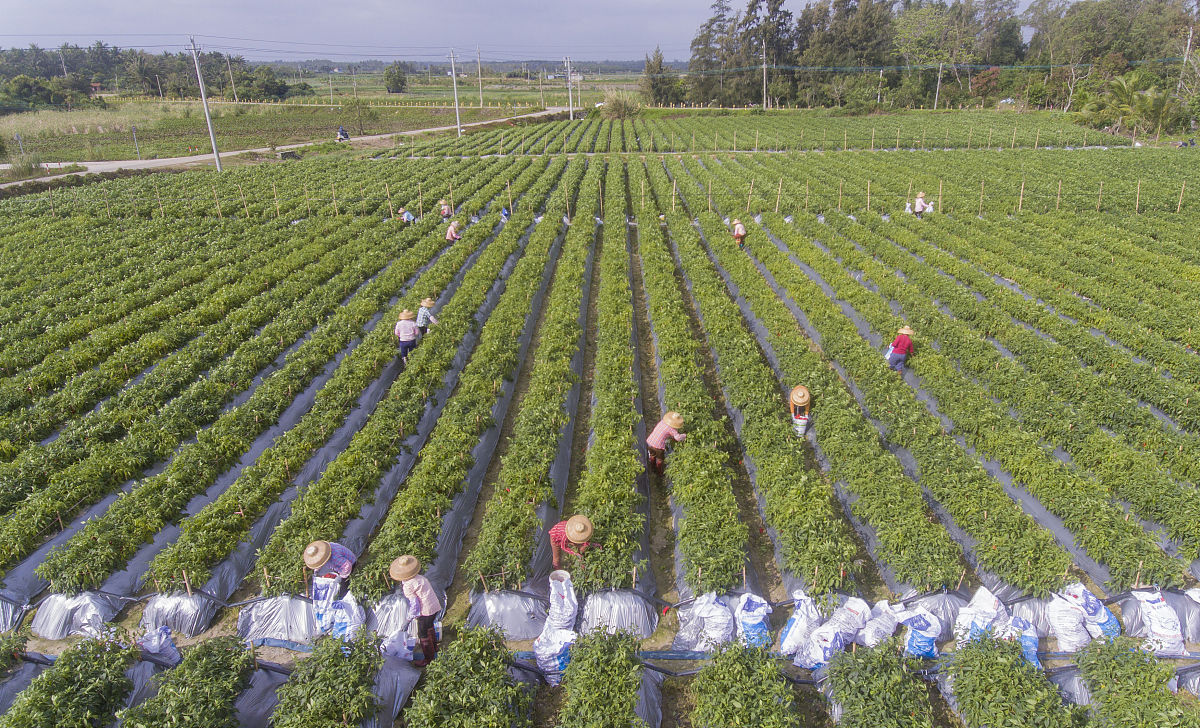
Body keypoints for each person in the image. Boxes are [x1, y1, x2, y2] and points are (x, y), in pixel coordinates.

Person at [390, 556, 442, 667]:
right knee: (429, 627)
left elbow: (415, 605)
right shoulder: (419, 577)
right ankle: (435, 647)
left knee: (422, 634)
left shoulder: (408, 585)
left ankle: (429, 659)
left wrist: (408, 619)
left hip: (426, 610)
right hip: (434, 605)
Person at [646, 411, 686, 476]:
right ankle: (660, 473)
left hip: (650, 441)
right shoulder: (672, 429)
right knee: (660, 460)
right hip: (658, 446)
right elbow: (678, 438)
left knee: (652, 455)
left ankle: (652, 468)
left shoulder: (662, 422)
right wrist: (684, 435)